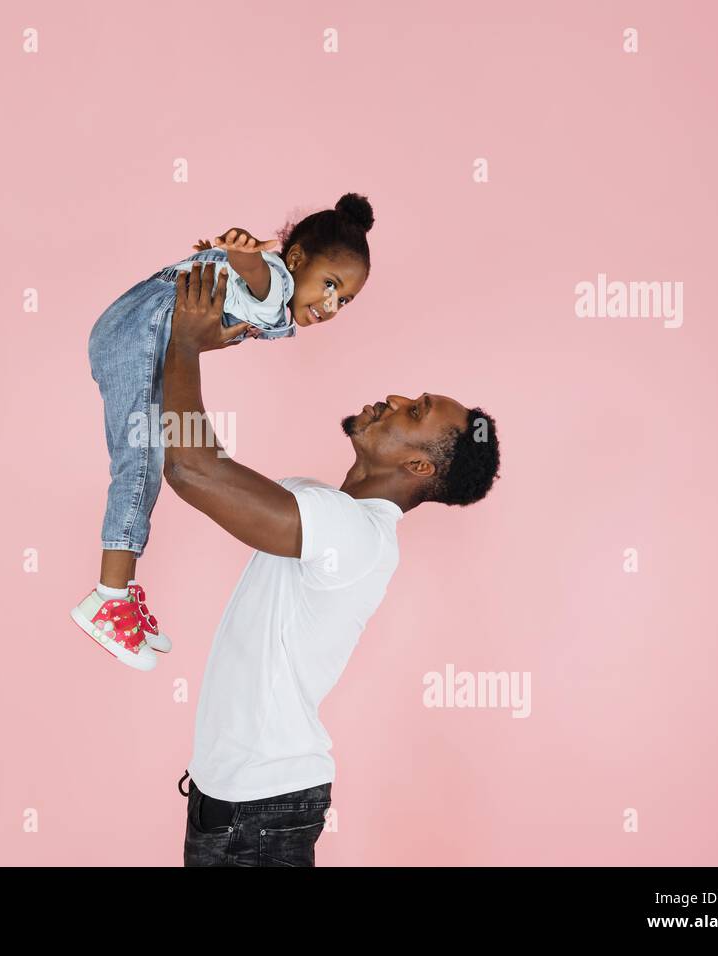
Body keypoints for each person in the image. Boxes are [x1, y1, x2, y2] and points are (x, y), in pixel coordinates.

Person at [163, 262, 502, 867]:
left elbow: (193, 469)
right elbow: (199, 468)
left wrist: (184, 343)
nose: (396, 399)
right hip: (234, 804)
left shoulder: (357, 534)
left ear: (421, 468)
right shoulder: (326, 512)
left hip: (260, 814)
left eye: (416, 411)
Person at [71, 195, 377, 671]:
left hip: (137, 332)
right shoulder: (275, 282)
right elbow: (259, 280)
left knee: (147, 457)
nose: (333, 305)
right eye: (330, 284)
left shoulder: (278, 296)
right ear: (296, 260)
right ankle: (108, 598)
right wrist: (244, 254)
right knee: (140, 461)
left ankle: (121, 593)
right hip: (137, 333)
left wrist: (226, 262)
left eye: (346, 299)